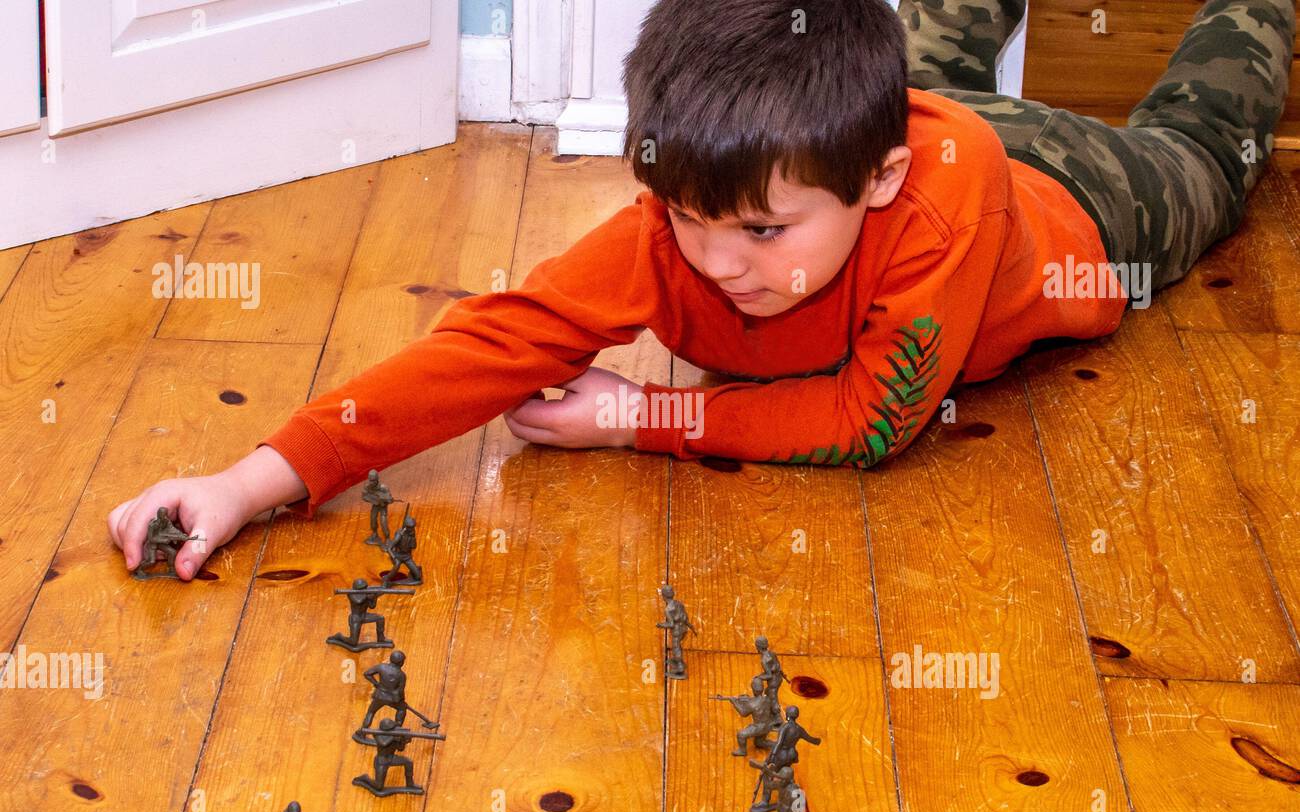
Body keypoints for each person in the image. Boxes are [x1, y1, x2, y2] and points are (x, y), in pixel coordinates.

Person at [107, 0, 1295, 580]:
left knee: (1208, 141)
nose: (717, 264)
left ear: (874, 183)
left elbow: (861, 423)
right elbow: (496, 342)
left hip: (1065, 195)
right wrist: (249, 479)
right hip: (888, 138)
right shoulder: (702, 218)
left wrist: (638, 415)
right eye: (685, 218)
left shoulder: (924, 207)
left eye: (760, 233)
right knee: (922, 50)